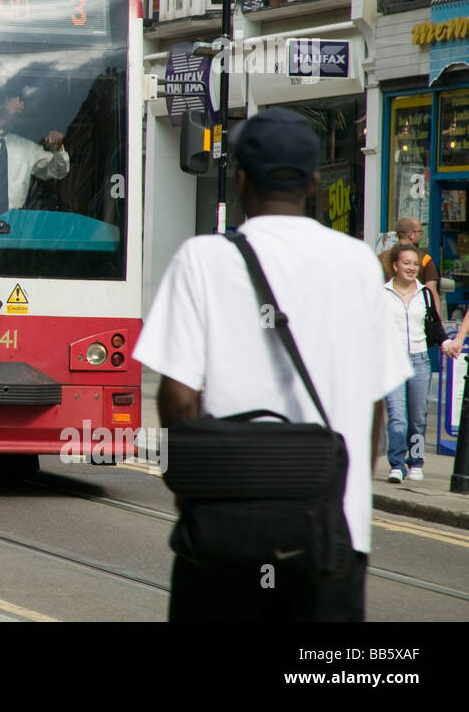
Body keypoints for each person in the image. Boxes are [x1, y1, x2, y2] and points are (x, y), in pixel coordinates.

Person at [132, 109, 410, 622]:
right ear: (313, 183)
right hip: (331, 534)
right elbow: (375, 399)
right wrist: (348, 491)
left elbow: (176, 397)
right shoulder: (357, 264)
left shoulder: (203, 259)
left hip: (224, 529)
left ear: (240, 179)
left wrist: (196, 491)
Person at [0, 78, 69, 213]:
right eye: (7, 111)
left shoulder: (28, 148)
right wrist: (1, 121)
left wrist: (59, 149)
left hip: (14, 223)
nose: (10, 116)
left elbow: (58, 172)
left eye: (14, 113)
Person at [383, 243, 438, 485]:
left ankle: (415, 462)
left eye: (415, 264)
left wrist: (449, 343)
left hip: (419, 360)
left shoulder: (424, 293)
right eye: (407, 263)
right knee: (397, 417)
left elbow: (434, 326)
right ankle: (396, 464)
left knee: (418, 418)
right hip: (391, 361)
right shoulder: (381, 294)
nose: (412, 268)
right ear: (395, 265)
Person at [380, 217, 440, 313]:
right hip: (416, 313)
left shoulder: (381, 258)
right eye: (420, 232)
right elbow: (431, 293)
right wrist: (436, 321)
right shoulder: (424, 259)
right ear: (411, 234)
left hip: (387, 312)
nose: (421, 235)